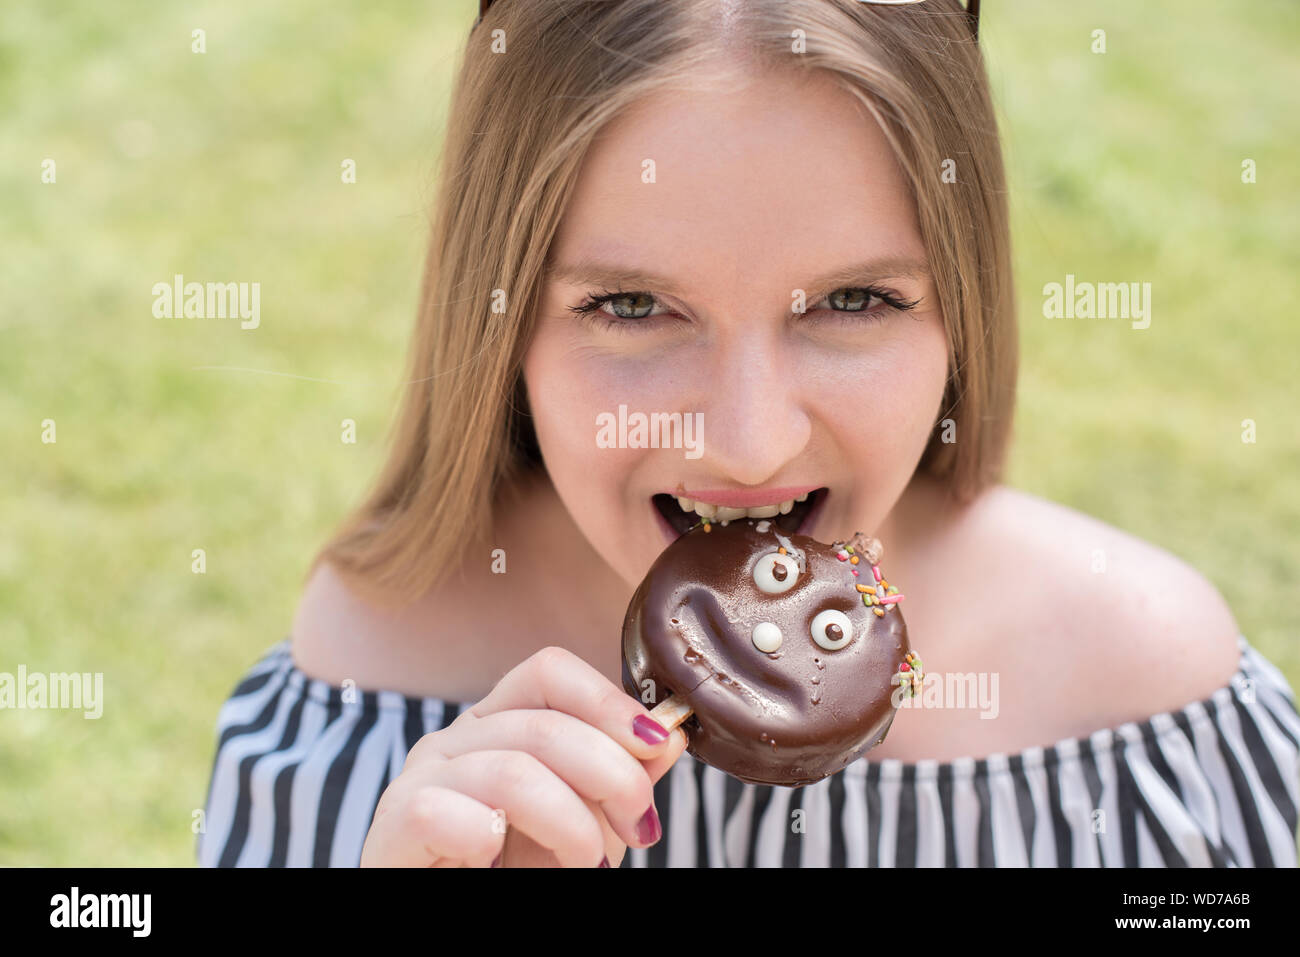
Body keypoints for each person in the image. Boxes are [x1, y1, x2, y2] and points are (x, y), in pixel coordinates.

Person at [198, 0, 1299, 867]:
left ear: (960, 309)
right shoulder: (376, 682)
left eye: (854, 302)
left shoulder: (1150, 705)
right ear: (500, 323)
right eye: (631, 308)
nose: (749, 443)